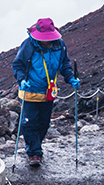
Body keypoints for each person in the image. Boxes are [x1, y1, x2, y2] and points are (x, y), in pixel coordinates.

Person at [12, 18, 79, 167]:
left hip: (49, 92)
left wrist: (71, 78)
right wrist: (21, 80)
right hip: (30, 91)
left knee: (44, 123)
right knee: (29, 123)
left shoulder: (59, 45)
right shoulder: (28, 45)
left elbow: (65, 64)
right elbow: (18, 65)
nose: (47, 41)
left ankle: (36, 146)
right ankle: (34, 153)